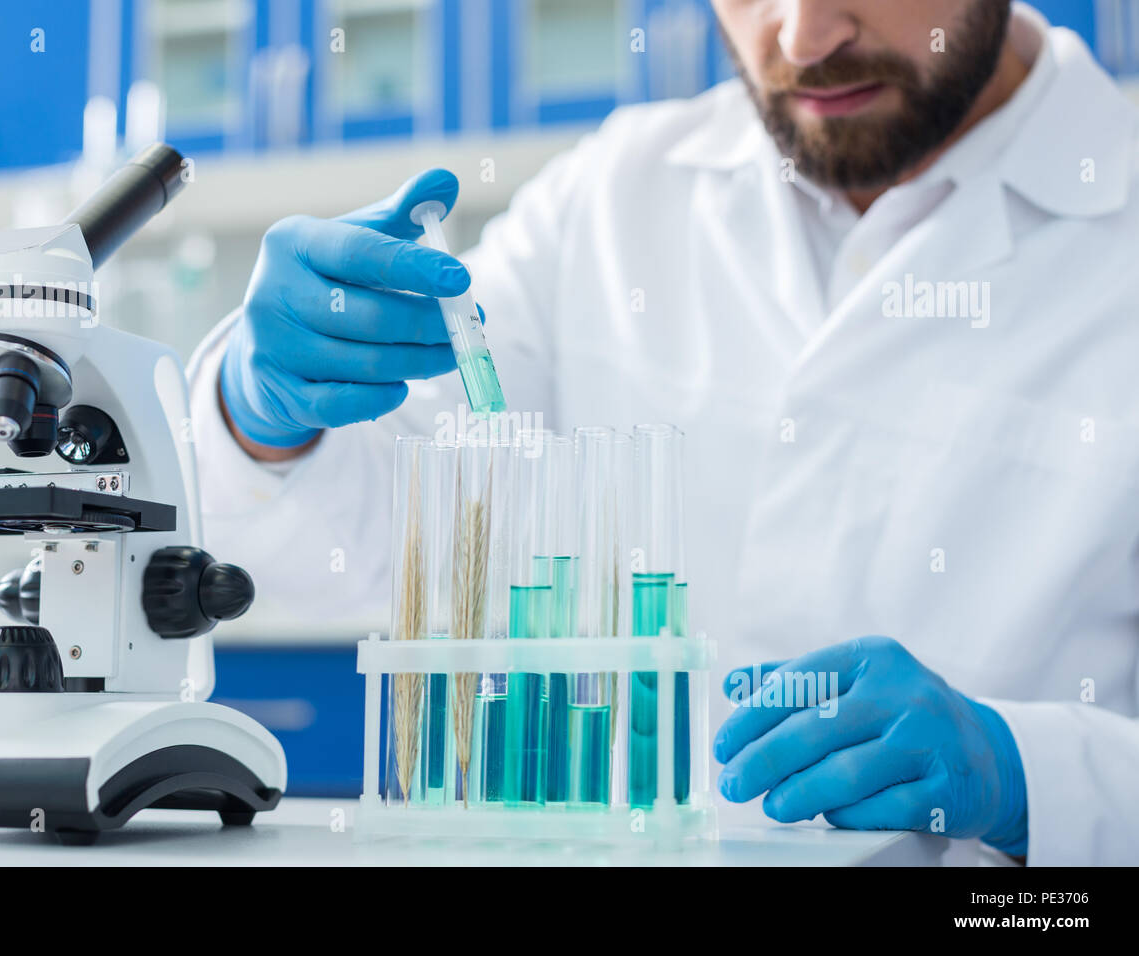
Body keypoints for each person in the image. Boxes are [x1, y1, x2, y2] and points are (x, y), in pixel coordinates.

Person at [187, 1, 1139, 865]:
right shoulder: (613, 195)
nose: (804, 38)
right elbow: (385, 523)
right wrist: (264, 412)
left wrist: (1033, 779)